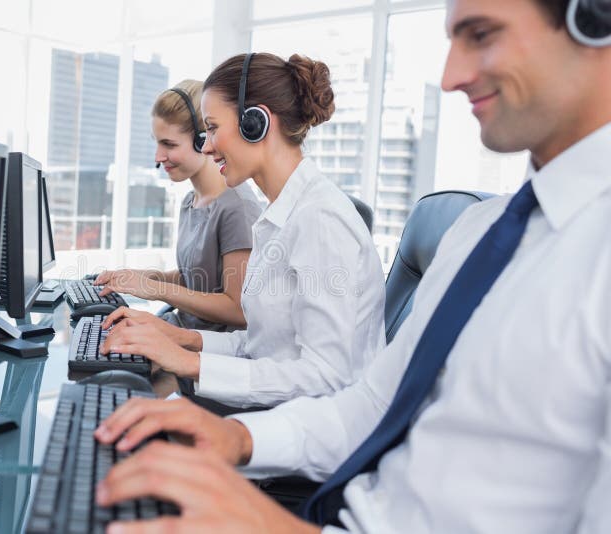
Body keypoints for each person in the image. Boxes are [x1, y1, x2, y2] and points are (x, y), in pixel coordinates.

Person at [92, 0, 611, 532]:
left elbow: (328, 378)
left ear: (592, 18)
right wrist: (237, 435)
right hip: (338, 491)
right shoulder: (479, 233)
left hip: (319, 492)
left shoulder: (323, 220)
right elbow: (368, 400)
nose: (451, 76)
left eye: (482, 34)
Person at [100, 52, 387, 409]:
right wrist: (178, 337)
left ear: (257, 122)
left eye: (214, 128)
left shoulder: (321, 220)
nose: (206, 146)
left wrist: (189, 362)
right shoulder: (278, 216)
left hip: (313, 432)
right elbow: (257, 345)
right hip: (279, 414)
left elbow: (326, 378)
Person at [95, 80, 262, 333]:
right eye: (157, 143)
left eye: (169, 144)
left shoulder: (237, 207)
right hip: (179, 331)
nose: (158, 157)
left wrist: (157, 290)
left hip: (206, 354)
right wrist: (136, 277)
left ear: (202, 140)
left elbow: (238, 310)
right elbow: (195, 279)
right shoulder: (190, 201)